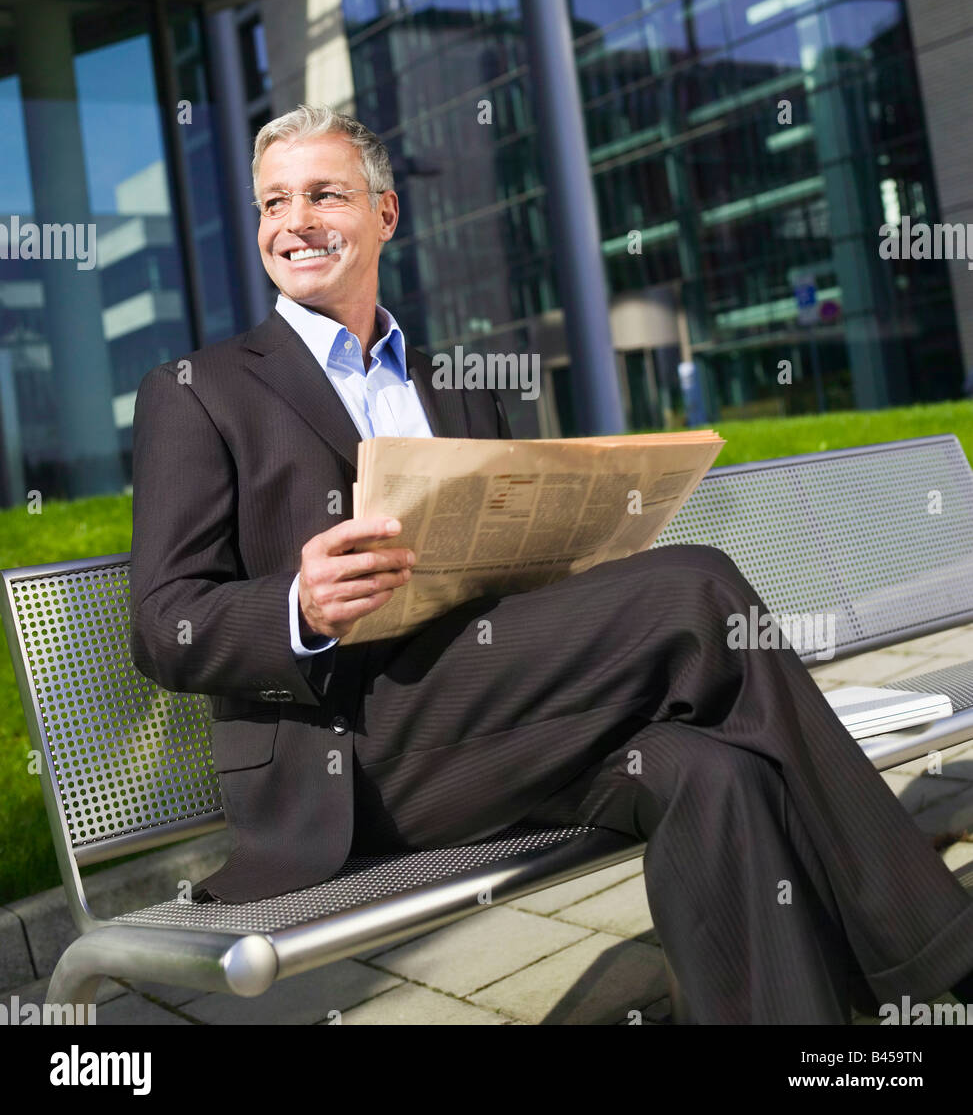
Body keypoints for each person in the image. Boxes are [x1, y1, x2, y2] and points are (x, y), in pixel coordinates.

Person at [130, 103, 973, 1025]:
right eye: (272, 203)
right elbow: (165, 621)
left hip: (506, 714)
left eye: (323, 195)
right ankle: (939, 950)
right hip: (352, 755)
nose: (293, 224)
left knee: (707, 771)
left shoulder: (457, 387)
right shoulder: (200, 391)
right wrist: (300, 604)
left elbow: (518, 566)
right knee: (693, 589)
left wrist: (590, 560)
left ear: (385, 213)